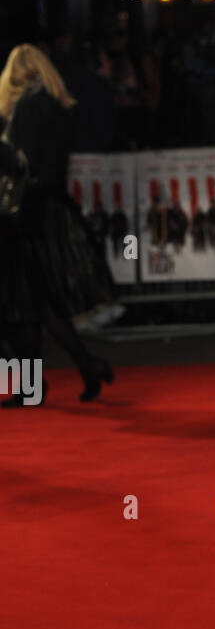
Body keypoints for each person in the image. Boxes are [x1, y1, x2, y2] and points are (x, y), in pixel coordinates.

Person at [0, 44, 116, 406]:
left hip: (29, 215)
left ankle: (41, 384)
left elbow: (23, 164)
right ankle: (82, 368)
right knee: (39, 304)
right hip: (47, 210)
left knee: (27, 305)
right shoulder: (52, 104)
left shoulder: (30, 107)